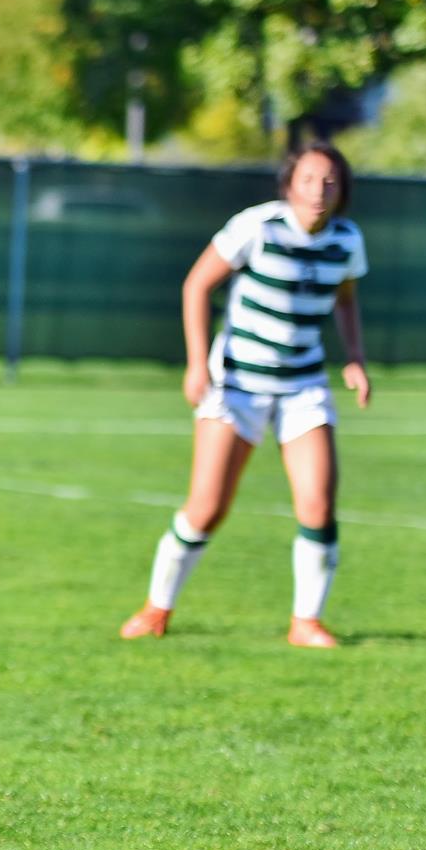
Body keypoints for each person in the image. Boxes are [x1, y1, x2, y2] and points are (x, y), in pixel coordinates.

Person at [120, 141, 370, 647]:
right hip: (236, 384)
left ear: (342, 190)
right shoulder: (256, 226)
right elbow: (196, 286)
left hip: (303, 385)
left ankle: (306, 622)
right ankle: (156, 608)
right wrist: (196, 364)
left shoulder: (346, 239)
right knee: (207, 507)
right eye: (308, 180)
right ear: (289, 184)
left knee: (318, 506)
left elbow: (346, 301)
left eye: (330, 182)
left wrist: (355, 358)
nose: (318, 191)